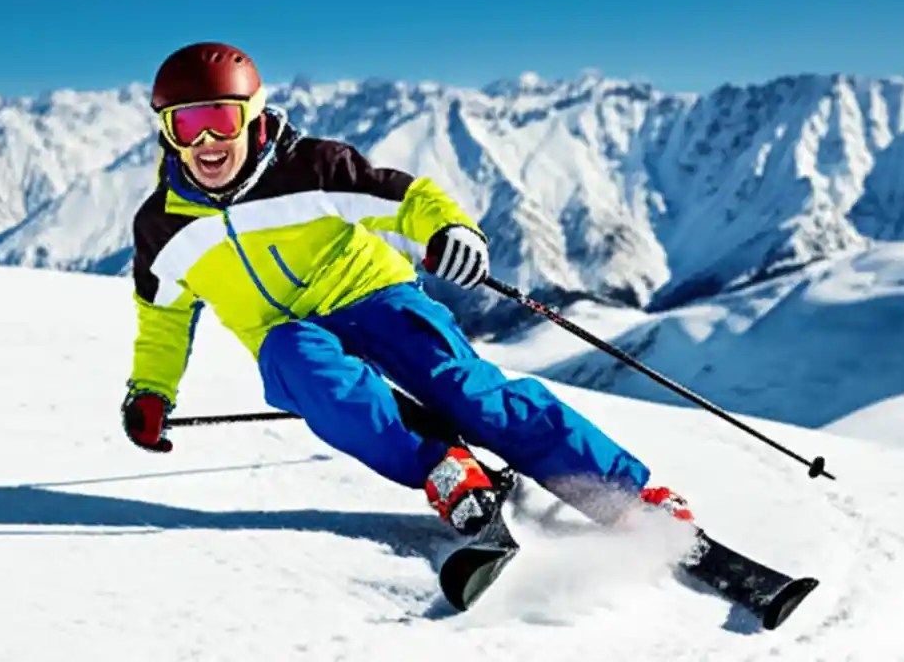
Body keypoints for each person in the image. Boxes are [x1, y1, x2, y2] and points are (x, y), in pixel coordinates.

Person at [120, 41, 692, 535]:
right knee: (317, 379)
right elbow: (163, 318)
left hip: (375, 298)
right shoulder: (162, 228)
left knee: (465, 392)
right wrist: (151, 390)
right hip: (287, 335)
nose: (207, 141)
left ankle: (623, 496)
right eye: (185, 125)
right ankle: (445, 467)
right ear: (167, 131)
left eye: (221, 118)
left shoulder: (310, 168)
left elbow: (406, 199)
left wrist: (447, 230)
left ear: (254, 115)